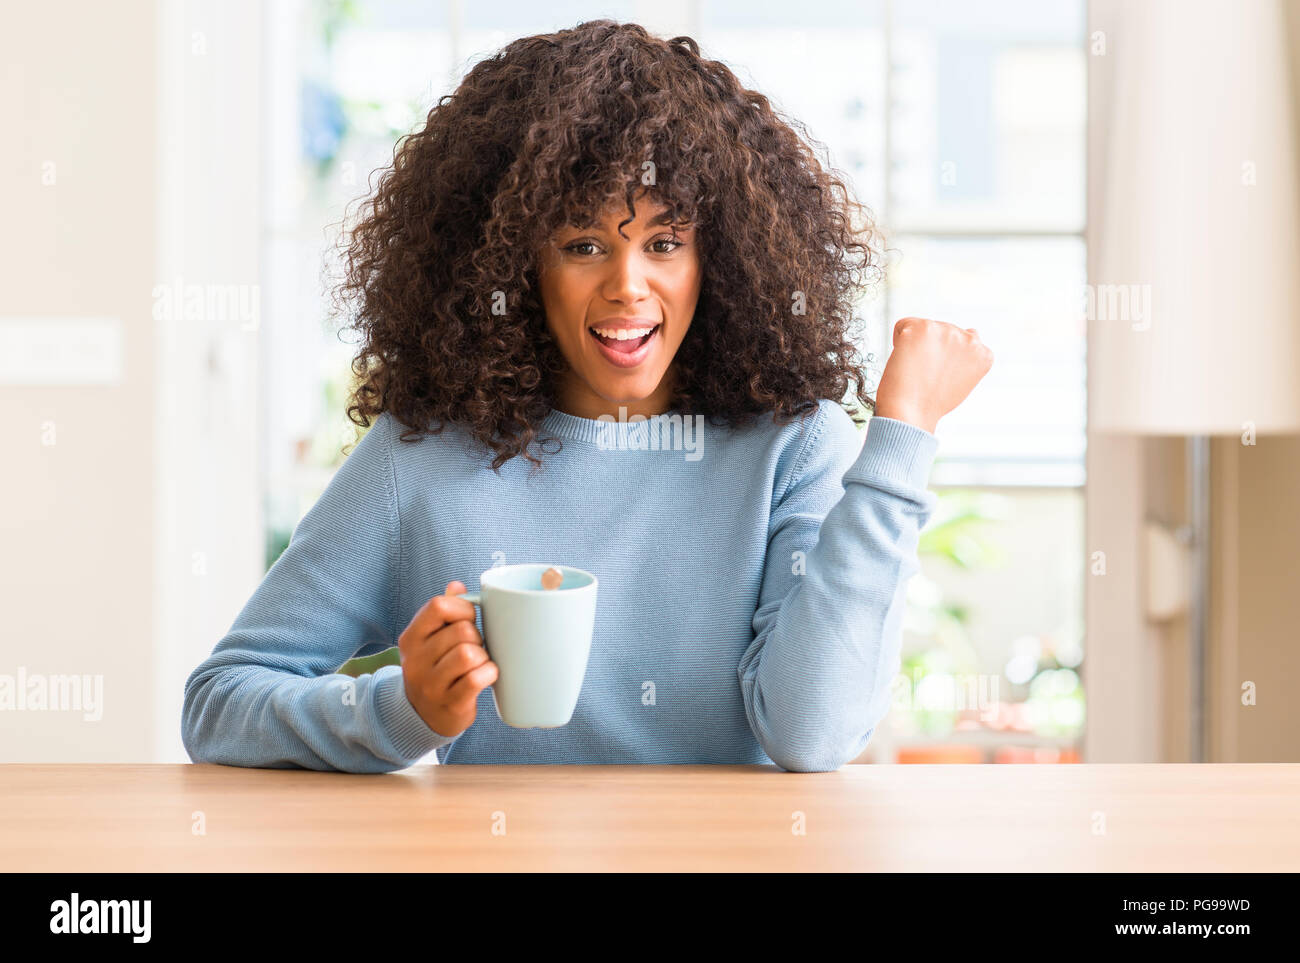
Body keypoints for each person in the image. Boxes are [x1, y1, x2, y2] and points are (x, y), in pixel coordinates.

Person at [181, 19, 992, 773]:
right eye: (583, 244)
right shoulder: (418, 458)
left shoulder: (792, 444)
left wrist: (902, 433)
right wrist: (405, 709)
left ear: (722, 259)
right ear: (512, 264)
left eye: (664, 243)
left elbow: (812, 730)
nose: (627, 286)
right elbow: (220, 702)